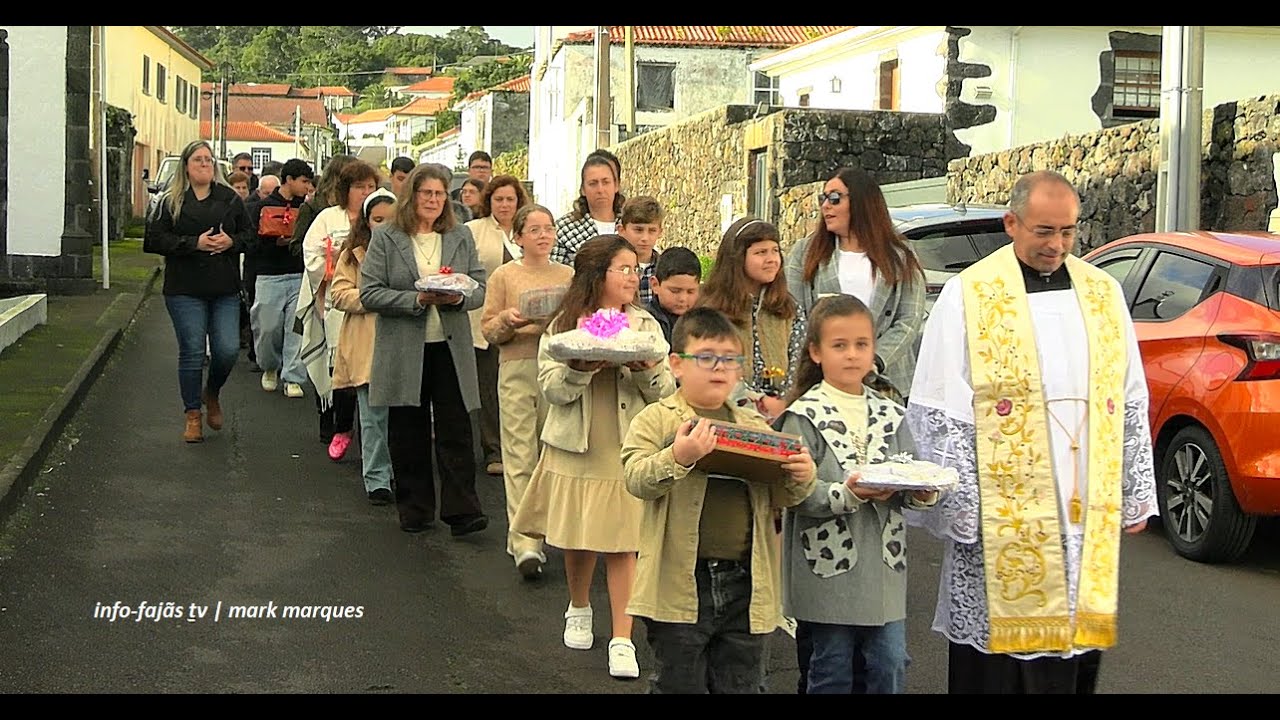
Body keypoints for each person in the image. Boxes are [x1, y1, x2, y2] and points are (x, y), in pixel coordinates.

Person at [906, 170, 1158, 694]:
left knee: (1073, 646)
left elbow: (1129, 395)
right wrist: (964, 507)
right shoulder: (969, 294)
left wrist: (1133, 489)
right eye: (1044, 231)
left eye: (1068, 231)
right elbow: (940, 403)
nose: (1057, 245)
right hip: (1002, 509)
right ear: (1011, 223)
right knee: (997, 663)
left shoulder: (1102, 292)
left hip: (1083, 499)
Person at [620, 306, 817, 694]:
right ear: (676, 364)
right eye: (707, 357)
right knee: (679, 682)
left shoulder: (754, 425)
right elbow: (635, 478)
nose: (720, 367)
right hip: (680, 579)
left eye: (730, 359)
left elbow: (784, 497)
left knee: (742, 683)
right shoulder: (657, 419)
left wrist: (802, 475)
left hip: (747, 579)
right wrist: (679, 456)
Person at [510, 234, 675, 680]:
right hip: (576, 446)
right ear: (597, 275)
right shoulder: (564, 325)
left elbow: (666, 393)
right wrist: (579, 369)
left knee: (624, 543)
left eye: (635, 269)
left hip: (627, 446)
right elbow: (551, 389)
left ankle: (623, 638)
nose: (633, 277)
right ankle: (579, 606)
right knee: (579, 537)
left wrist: (646, 372)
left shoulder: (645, 326)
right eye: (624, 269)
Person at [776, 294, 941, 694]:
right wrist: (846, 494)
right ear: (816, 352)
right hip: (826, 565)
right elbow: (791, 491)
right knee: (832, 667)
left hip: (883, 565)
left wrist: (921, 492)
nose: (852, 354)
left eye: (861, 344)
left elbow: (910, 471)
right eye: (840, 345)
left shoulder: (891, 413)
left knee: (889, 662)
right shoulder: (803, 416)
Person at [360, 163, 489, 537]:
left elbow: (478, 286)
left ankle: (463, 512)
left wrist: (458, 298)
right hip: (405, 347)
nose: (433, 200)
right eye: (426, 193)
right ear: (411, 196)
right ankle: (415, 510)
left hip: (450, 346)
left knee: (456, 430)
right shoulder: (387, 237)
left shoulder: (459, 235)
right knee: (408, 431)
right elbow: (370, 292)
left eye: (439, 194)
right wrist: (416, 299)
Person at [479, 203, 574, 579]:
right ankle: (524, 542)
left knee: (553, 452)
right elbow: (488, 329)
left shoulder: (568, 275)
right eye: (534, 229)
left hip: (558, 366)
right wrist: (508, 319)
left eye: (548, 228)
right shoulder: (504, 276)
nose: (543, 235)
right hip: (516, 365)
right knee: (519, 452)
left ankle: (550, 530)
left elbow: (581, 321)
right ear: (517, 237)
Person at [143, 140, 253, 443]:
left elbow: (251, 236)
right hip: (184, 288)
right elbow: (154, 240)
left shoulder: (230, 199)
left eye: (208, 159)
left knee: (227, 350)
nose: (205, 164)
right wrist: (194, 244)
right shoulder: (171, 201)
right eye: (198, 160)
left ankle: (212, 392)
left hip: (224, 287)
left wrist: (231, 242)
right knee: (192, 350)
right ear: (186, 166)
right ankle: (193, 414)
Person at [784, 168, 925, 403]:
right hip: (824, 383)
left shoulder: (900, 255)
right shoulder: (804, 252)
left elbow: (909, 319)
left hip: (888, 384)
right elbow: (794, 315)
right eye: (823, 198)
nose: (826, 206)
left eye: (835, 198)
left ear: (862, 202)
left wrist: (873, 360)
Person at [299, 159, 380, 453]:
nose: (365, 192)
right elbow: (311, 252)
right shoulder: (328, 218)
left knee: (369, 367)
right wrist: (330, 267)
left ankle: (367, 431)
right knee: (337, 363)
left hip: (374, 307)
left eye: (371, 186)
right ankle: (335, 421)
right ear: (346, 190)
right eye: (359, 186)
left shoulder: (382, 217)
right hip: (335, 303)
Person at [697, 217, 806, 423]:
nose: (771, 259)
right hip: (726, 415)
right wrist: (755, 401)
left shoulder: (789, 309)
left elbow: (799, 363)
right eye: (761, 252)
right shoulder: (711, 311)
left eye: (775, 251)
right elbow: (709, 367)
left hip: (782, 415)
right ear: (738, 258)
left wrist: (783, 404)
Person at [330, 188, 397, 505]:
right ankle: (377, 478)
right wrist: (376, 298)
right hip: (365, 342)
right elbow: (339, 294)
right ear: (367, 221)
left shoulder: (411, 251)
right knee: (372, 417)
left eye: (390, 219)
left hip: (400, 342)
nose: (384, 225)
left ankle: (397, 470)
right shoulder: (352, 254)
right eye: (378, 219)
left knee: (401, 417)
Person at [466, 175, 531, 476]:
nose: (505, 205)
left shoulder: (529, 229)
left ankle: (522, 449)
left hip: (526, 324)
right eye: (499, 199)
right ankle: (494, 449)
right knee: (490, 389)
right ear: (489, 201)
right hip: (487, 322)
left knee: (521, 389)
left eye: (510, 199)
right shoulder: (473, 231)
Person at [247, 158, 315, 400]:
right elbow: (250, 241)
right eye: (304, 181)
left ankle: (293, 376)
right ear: (289, 180)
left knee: (295, 327)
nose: (307, 186)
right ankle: (269, 365)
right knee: (267, 327)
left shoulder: (308, 209)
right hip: (268, 274)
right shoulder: (262, 207)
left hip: (298, 273)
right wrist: (271, 243)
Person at [550, 154, 623, 268]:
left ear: (616, 186)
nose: (600, 189)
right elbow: (553, 271)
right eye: (593, 183)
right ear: (583, 189)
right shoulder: (564, 229)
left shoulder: (630, 225)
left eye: (606, 182)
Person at [646, 246, 702, 347]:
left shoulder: (702, 321)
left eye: (690, 292)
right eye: (675, 291)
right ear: (655, 285)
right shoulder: (644, 321)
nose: (683, 298)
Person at [617, 196, 664, 306]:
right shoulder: (613, 269)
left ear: (660, 232)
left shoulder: (664, 269)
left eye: (652, 230)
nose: (645, 238)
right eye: (638, 230)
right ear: (621, 230)